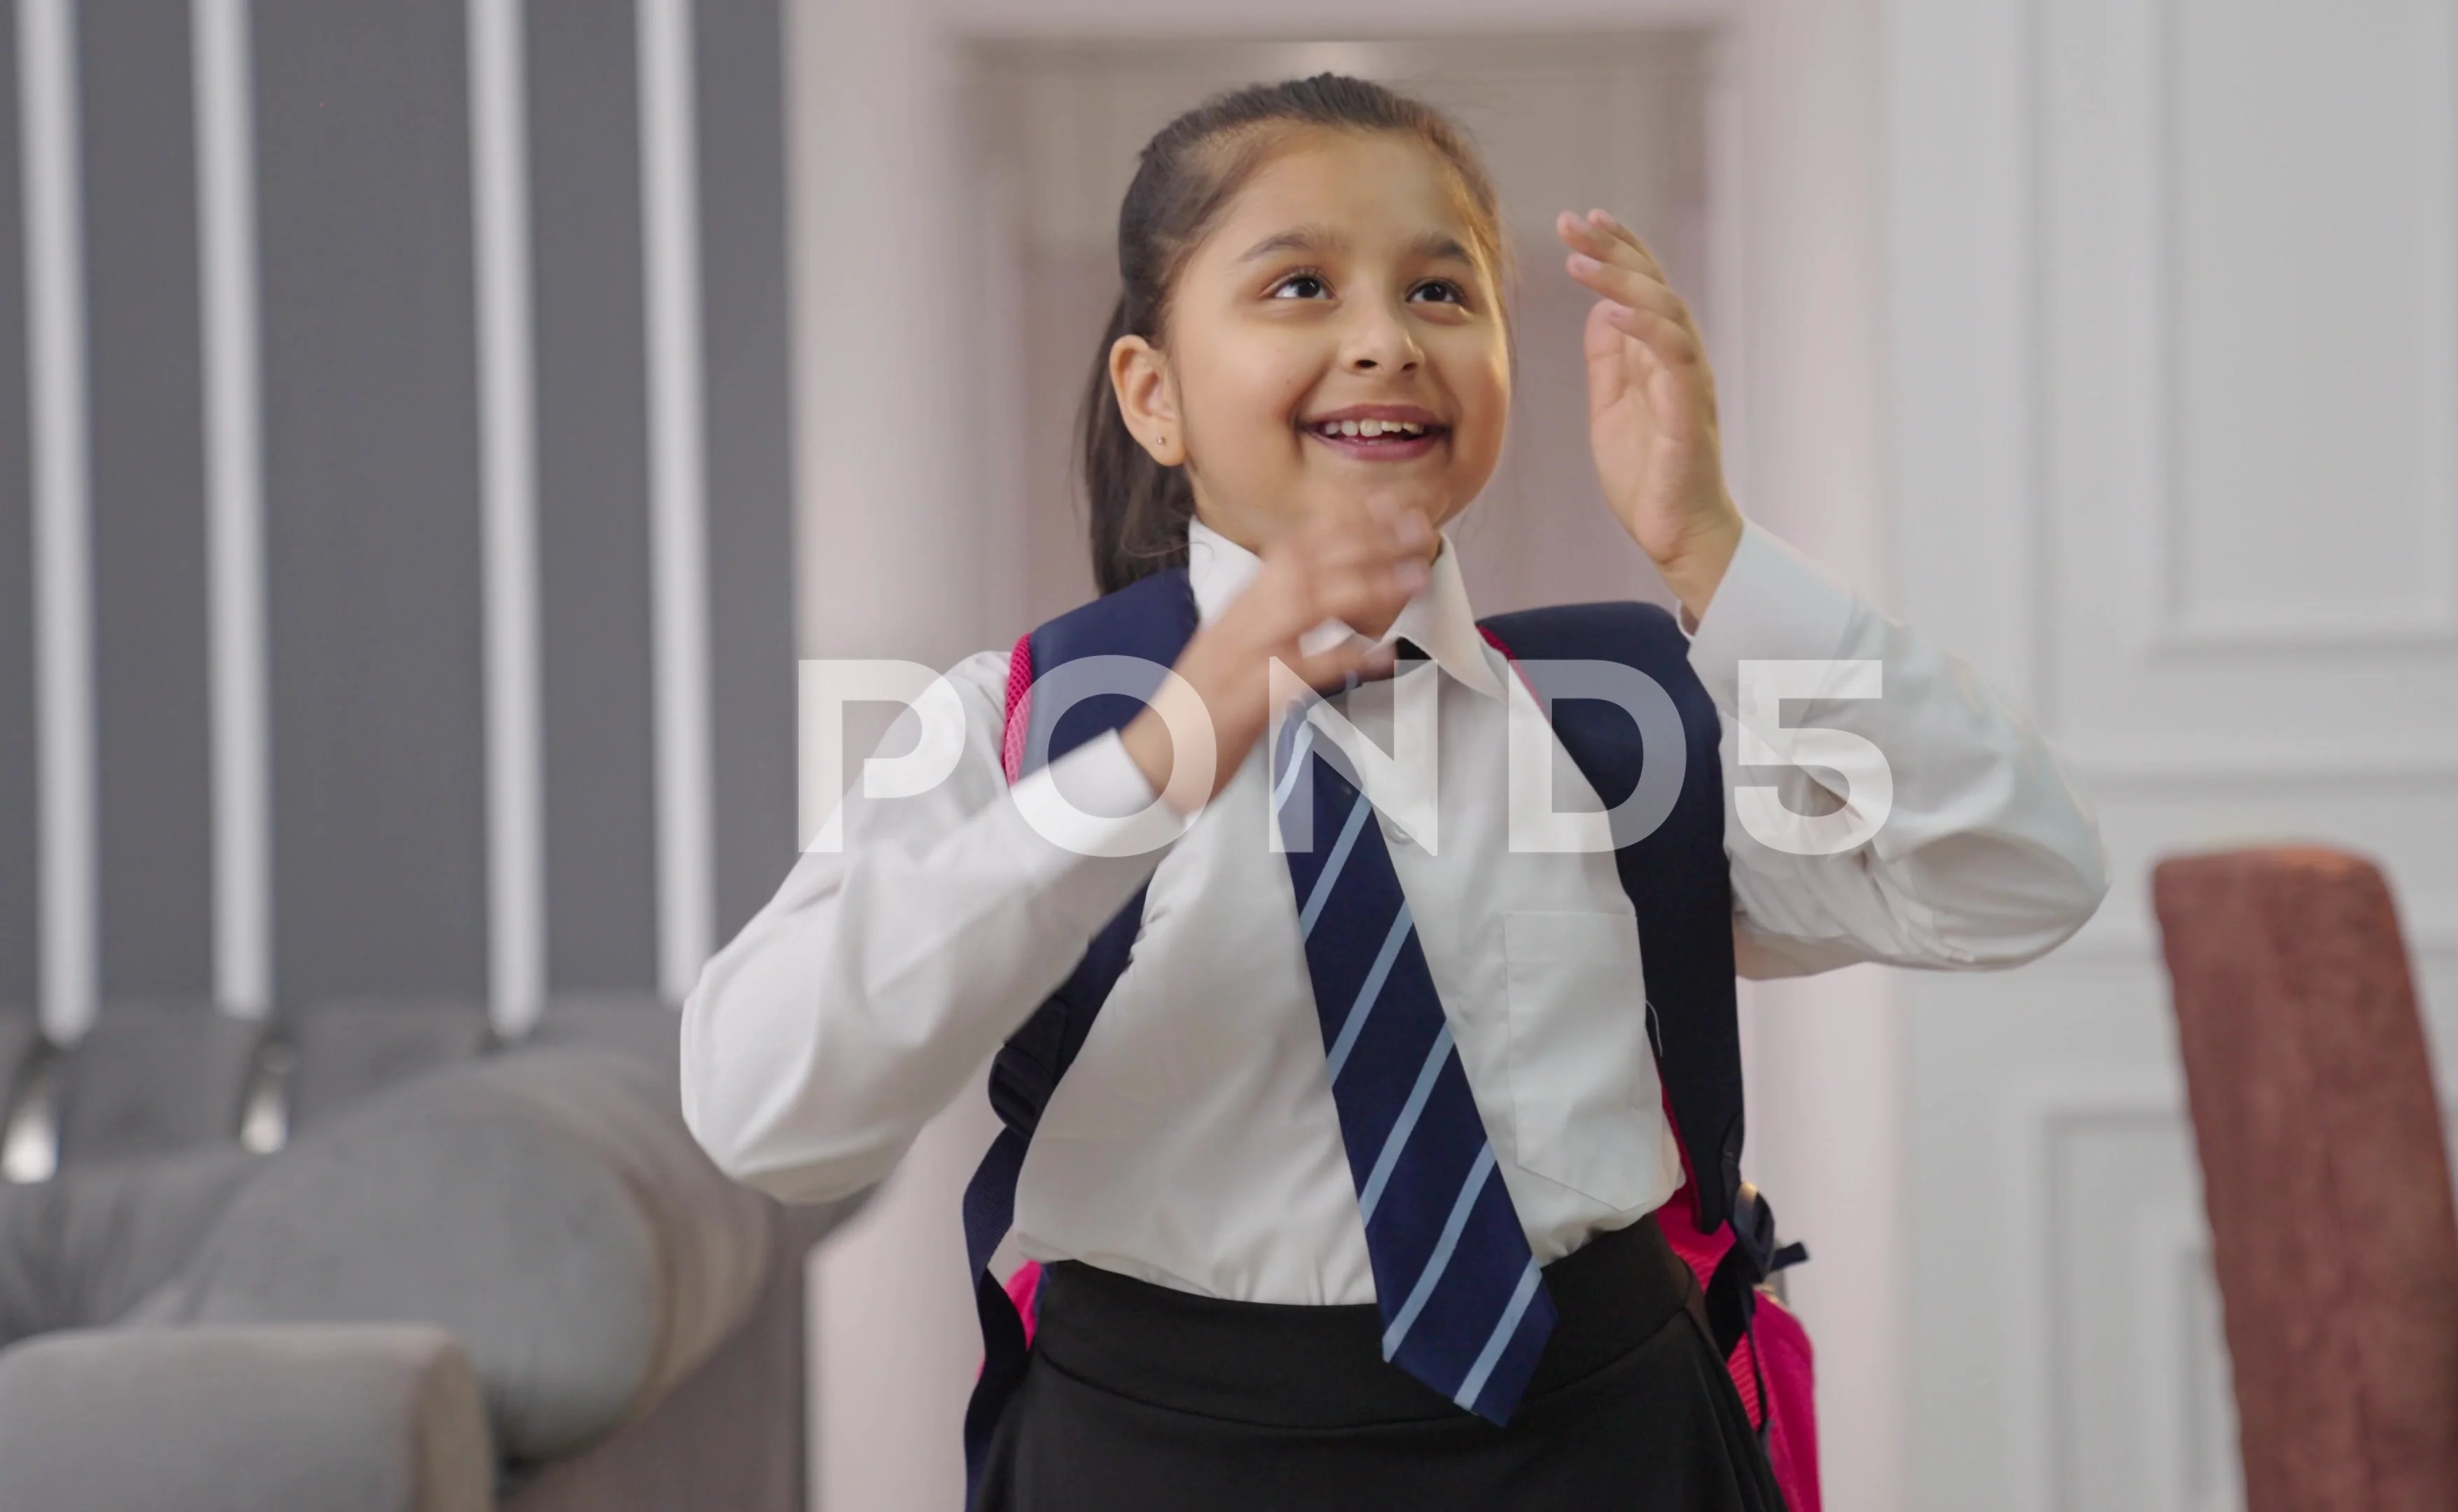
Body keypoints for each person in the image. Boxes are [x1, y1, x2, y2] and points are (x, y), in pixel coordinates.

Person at [681, 74, 2106, 1512]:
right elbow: (766, 1113)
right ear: (1153, 394)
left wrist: (1710, 548)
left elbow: (2016, 872)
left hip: (1610, 1443)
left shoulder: (1621, 728)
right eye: (1300, 283)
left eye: (1442, 293)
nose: (1383, 341)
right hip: (1155, 1463)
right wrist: (1169, 750)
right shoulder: (1016, 726)